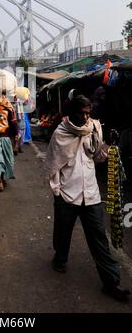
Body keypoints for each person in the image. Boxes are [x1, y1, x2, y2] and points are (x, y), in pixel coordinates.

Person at [45, 92, 130, 302]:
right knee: (62, 233)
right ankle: (60, 259)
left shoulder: (94, 128)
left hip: (90, 194)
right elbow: (52, 166)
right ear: (71, 112)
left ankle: (111, 283)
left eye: (88, 113)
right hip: (67, 194)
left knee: (99, 239)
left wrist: (108, 144)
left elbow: (98, 156)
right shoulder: (60, 134)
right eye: (81, 113)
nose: (85, 118)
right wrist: (57, 192)